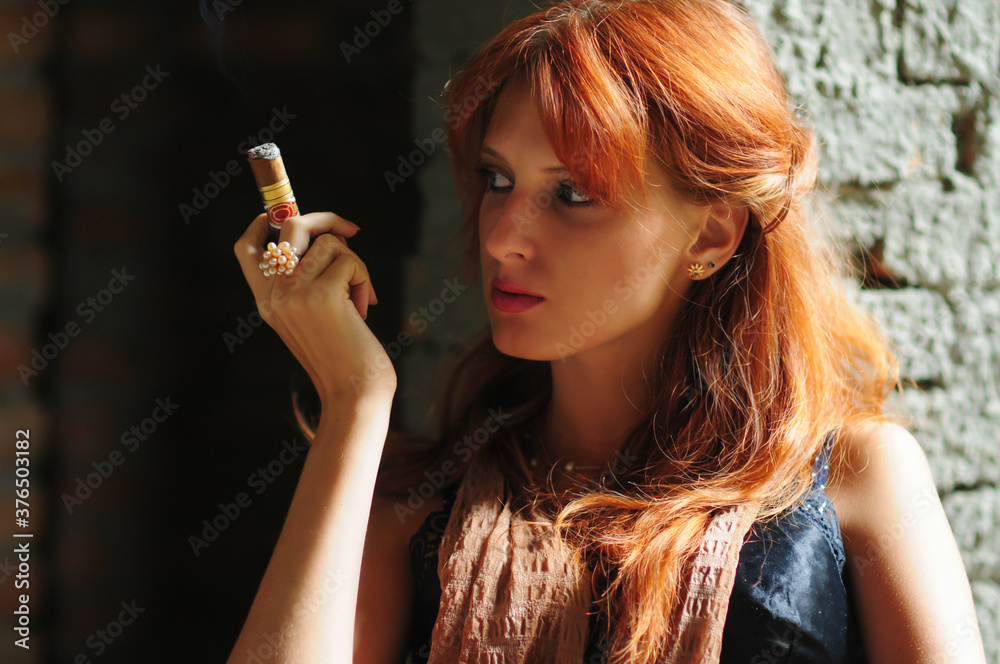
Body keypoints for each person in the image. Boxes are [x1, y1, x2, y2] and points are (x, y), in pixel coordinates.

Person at [230, 1, 988, 662]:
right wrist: (355, 401)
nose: (501, 238)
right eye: (499, 180)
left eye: (571, 193)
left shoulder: (857, 477)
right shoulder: (415, 503)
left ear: (711, 236)